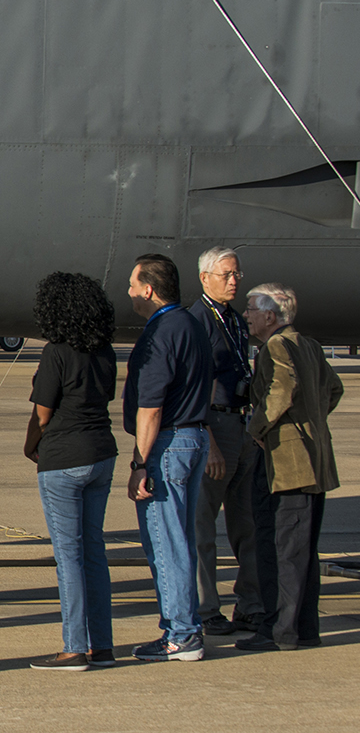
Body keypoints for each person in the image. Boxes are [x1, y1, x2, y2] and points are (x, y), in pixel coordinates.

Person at [22, 272, 120, 670]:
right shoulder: (106, 351)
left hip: (64, 458)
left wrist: (33, 445)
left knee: (69, 556)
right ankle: (103, 644)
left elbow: (43, 412)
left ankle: (74, 646)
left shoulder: (56, 352)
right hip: (101, 452)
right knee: (93, 551)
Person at [238, 284, 343, 652]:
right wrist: (308, 423)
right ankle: (304, 628)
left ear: (270, 315)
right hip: (313, 465)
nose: (246, 314)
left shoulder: (277, 346)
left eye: (251, 308)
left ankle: (278, 631)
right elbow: (333, 389)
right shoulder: (310, 345)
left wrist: (258, 429)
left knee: (279, 550)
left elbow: (282, 389)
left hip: (287, 467)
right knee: (302, 552)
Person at [124, 253, 212, 662]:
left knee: (165, 542)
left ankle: (181, 632)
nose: (129, 293)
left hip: (169, 442)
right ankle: (184, 626)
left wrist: (140, 462)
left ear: (149, 289)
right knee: (181, 539)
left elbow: (151, 406)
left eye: (132, 285)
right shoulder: (192, 325)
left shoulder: (161, 332)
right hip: (194, 436)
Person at [189, 247, 262, 636]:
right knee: (203, 525)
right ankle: (205, 607)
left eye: (236, 274)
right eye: (226, 275)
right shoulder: (196, 321)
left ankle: (250, 603)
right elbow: (193, 386)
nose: (234, 281)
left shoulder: (234, 319)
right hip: (214, 425)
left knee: (247, 522)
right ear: (205, 278)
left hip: (241, 424)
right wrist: (208, 440)